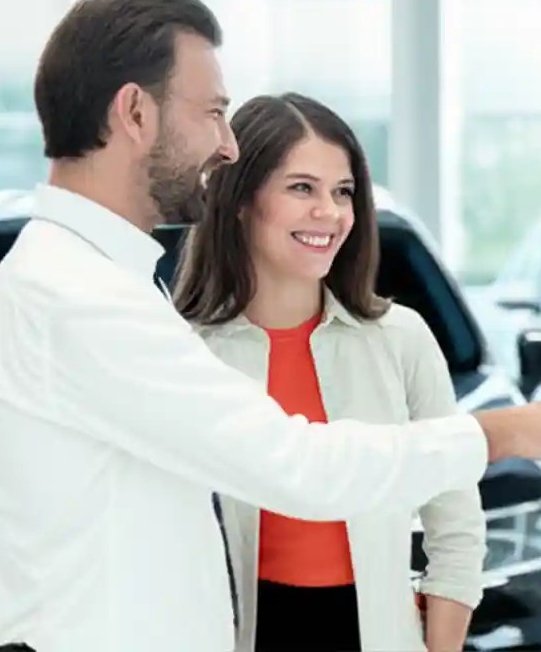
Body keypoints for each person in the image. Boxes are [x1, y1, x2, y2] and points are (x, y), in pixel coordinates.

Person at [0, 0, 541, 652]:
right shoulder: (79, 299)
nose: (227, 146)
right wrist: (511, 431)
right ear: (135, 114)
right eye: (211, 113)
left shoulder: (100, 283)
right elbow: (302, 468)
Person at [172, 92, 482, 652]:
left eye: (343, 192)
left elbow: (455, 524)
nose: (331, 213)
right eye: (302, 188)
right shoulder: (185, 353)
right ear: (241, 199)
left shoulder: (400, 338)